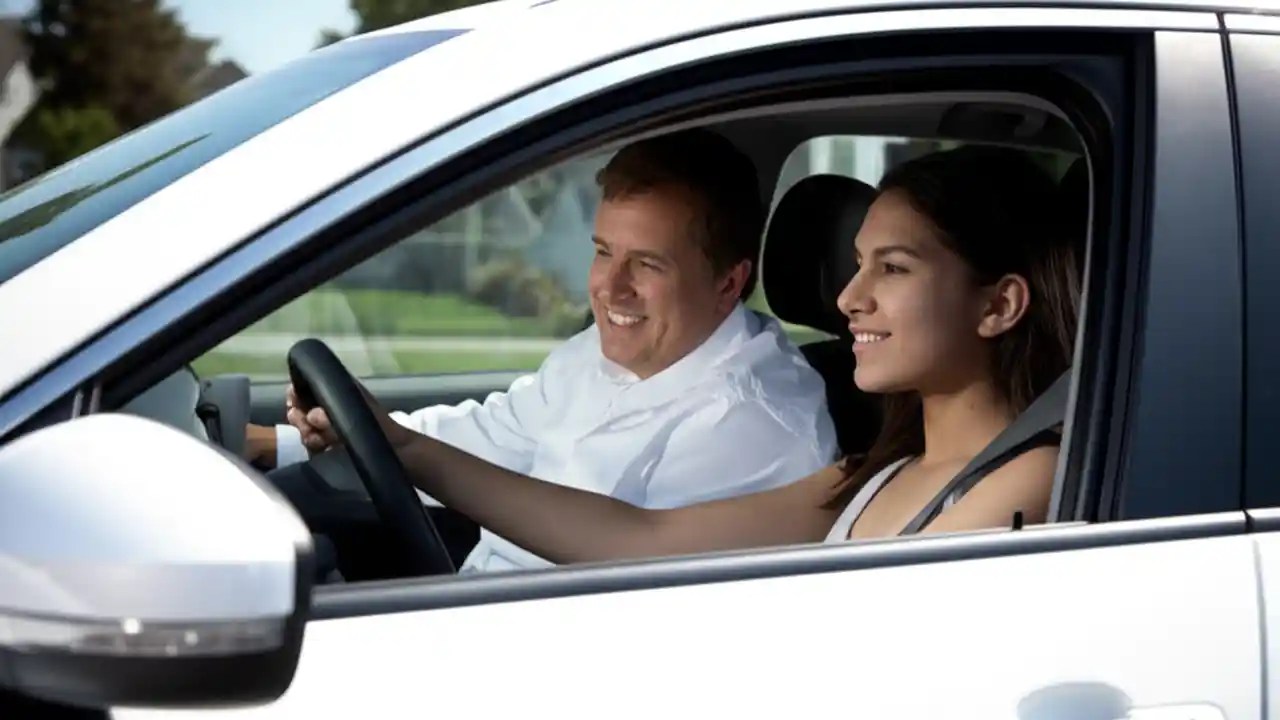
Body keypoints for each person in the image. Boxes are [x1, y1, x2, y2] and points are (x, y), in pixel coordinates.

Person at [289, 144, 1081, 563]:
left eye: (893, 269)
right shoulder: (877, 471)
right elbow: (638, 540)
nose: (848, 298)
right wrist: (402, 448)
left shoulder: (1027, 483)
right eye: (858, 262)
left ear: (1000, 304)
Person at [260, 128, 840, 573]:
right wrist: (284, 441)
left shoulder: (753, 426)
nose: (609, 288)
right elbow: (492, 433)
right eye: (604, 251)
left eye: (647, 263)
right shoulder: (608, 351)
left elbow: (635, 581)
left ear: (728, 284)